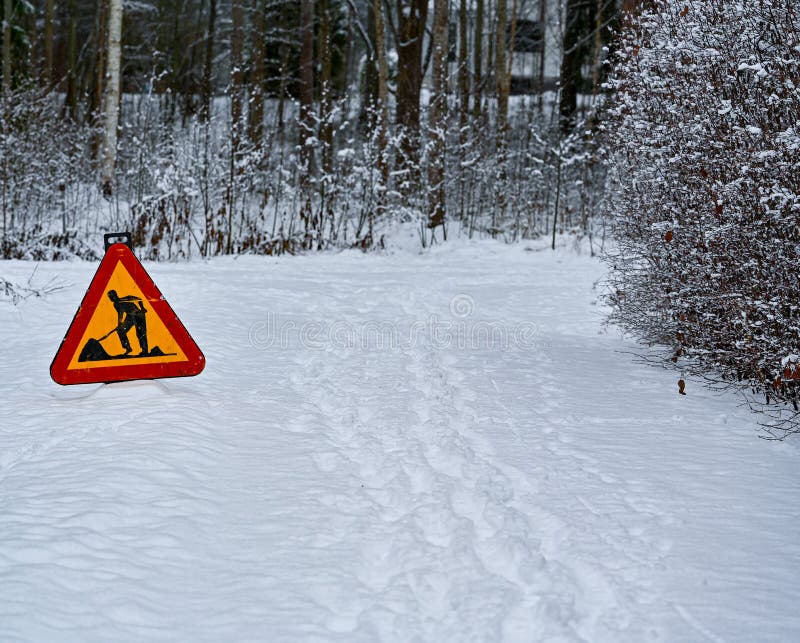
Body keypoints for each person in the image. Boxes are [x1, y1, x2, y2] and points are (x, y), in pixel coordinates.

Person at [107, 290, 149, 356]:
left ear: (115, 295)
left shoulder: (125, 298)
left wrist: (142, 308)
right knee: (121, 331)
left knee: (140, 333)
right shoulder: (116, 304)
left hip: (138, 315)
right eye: (110, 297)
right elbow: (120, 313)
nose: (111, 298)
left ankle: (145, 351)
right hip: (130, 316)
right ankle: (128, 348)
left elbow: (139, 299)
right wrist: (119, 325)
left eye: (111, 296)